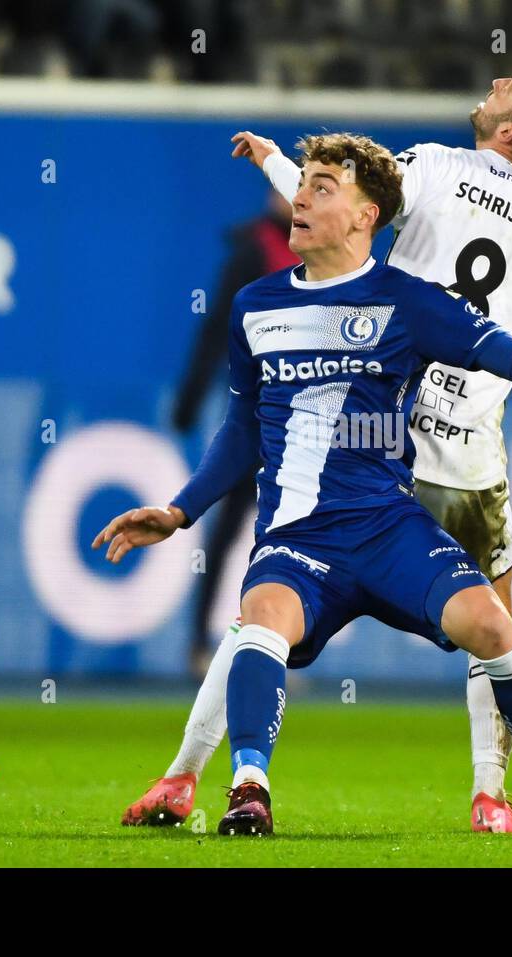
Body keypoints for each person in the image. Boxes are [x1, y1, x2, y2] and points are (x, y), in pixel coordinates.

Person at [95, 132, 512, 837]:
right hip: (298, 537)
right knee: (260, 617)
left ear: (368, 215)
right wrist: (180, 511)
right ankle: (248, 789)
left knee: (496, 627)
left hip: (390, 528)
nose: (299, 197)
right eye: (299, 183)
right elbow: (242, 429)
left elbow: (502, 352)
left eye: (320, 187)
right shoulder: (256, 305)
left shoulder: (410, 301)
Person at [172, 192, 298, 677]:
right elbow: (215, 330)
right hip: (263, 416)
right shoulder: (254, 252)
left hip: (307, 422)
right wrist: (191, 398)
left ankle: (272, 646)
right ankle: (202, 643)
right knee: (230, 531)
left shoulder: (317, 254)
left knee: (291, 535)